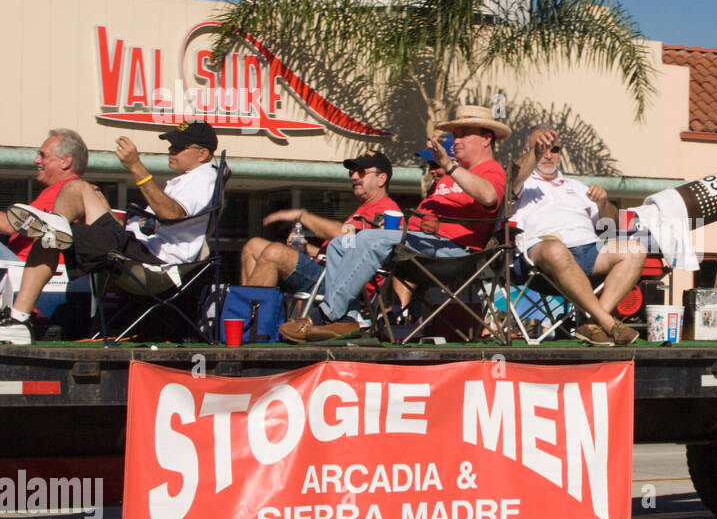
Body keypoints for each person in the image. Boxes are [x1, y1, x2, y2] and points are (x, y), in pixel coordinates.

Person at [279, 105, 508, 342]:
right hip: (419, 243)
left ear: (486, 138)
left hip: (450, 253)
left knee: (368, 238)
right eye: (455, 135)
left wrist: (450, 166)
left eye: (463, 134)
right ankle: (346, 320)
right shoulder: (451, 177)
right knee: (340, 243)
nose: (456, 141)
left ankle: (324, 315)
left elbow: (489, 196)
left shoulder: (490, 170)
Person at [0, 121, 220, 345]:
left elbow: (172, 214)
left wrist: (136, 167)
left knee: (50, 235)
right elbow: (153, 225)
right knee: (74, 196)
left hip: (153, 263)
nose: (171, 151)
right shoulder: (186, 179)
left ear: (202, 154)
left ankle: (19, 319)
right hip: (137, 248)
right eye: (171, 146)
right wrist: (105, 210)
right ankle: (55, 227)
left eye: (179, 147)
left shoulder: (204, 177)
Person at [511, 127, 644, 346]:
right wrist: (533, 154)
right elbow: (514, 175)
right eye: (541, 148)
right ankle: (608, 323)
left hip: (588, 250)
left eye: (553, 149)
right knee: (556, 249)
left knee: (636, 249)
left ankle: (592, 322)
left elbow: (611, 225)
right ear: (528, 151)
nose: (548, 154)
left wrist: (603, 204)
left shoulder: (577, 187)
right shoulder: (523, 183)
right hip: (541, 256)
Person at [240, 151, 399, 292]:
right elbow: (348, 248)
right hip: (327, 272)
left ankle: (253, 319)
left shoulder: (387, 211)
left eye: (361, 172)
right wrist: (308, 249)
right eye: (352, 172)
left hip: (344, 285)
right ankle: (249, 317)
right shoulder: (363, 209)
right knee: (253, 245)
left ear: (381, 179)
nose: (354, 177)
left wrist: (300, 215)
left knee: (275, 252)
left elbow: (345, 235)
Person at [0, 129, 92, 262]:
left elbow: (11, 224)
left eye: (43, 155)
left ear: (65, 161)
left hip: (29, 271)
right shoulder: (61, 189)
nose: (36, 160)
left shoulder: (68, 190)